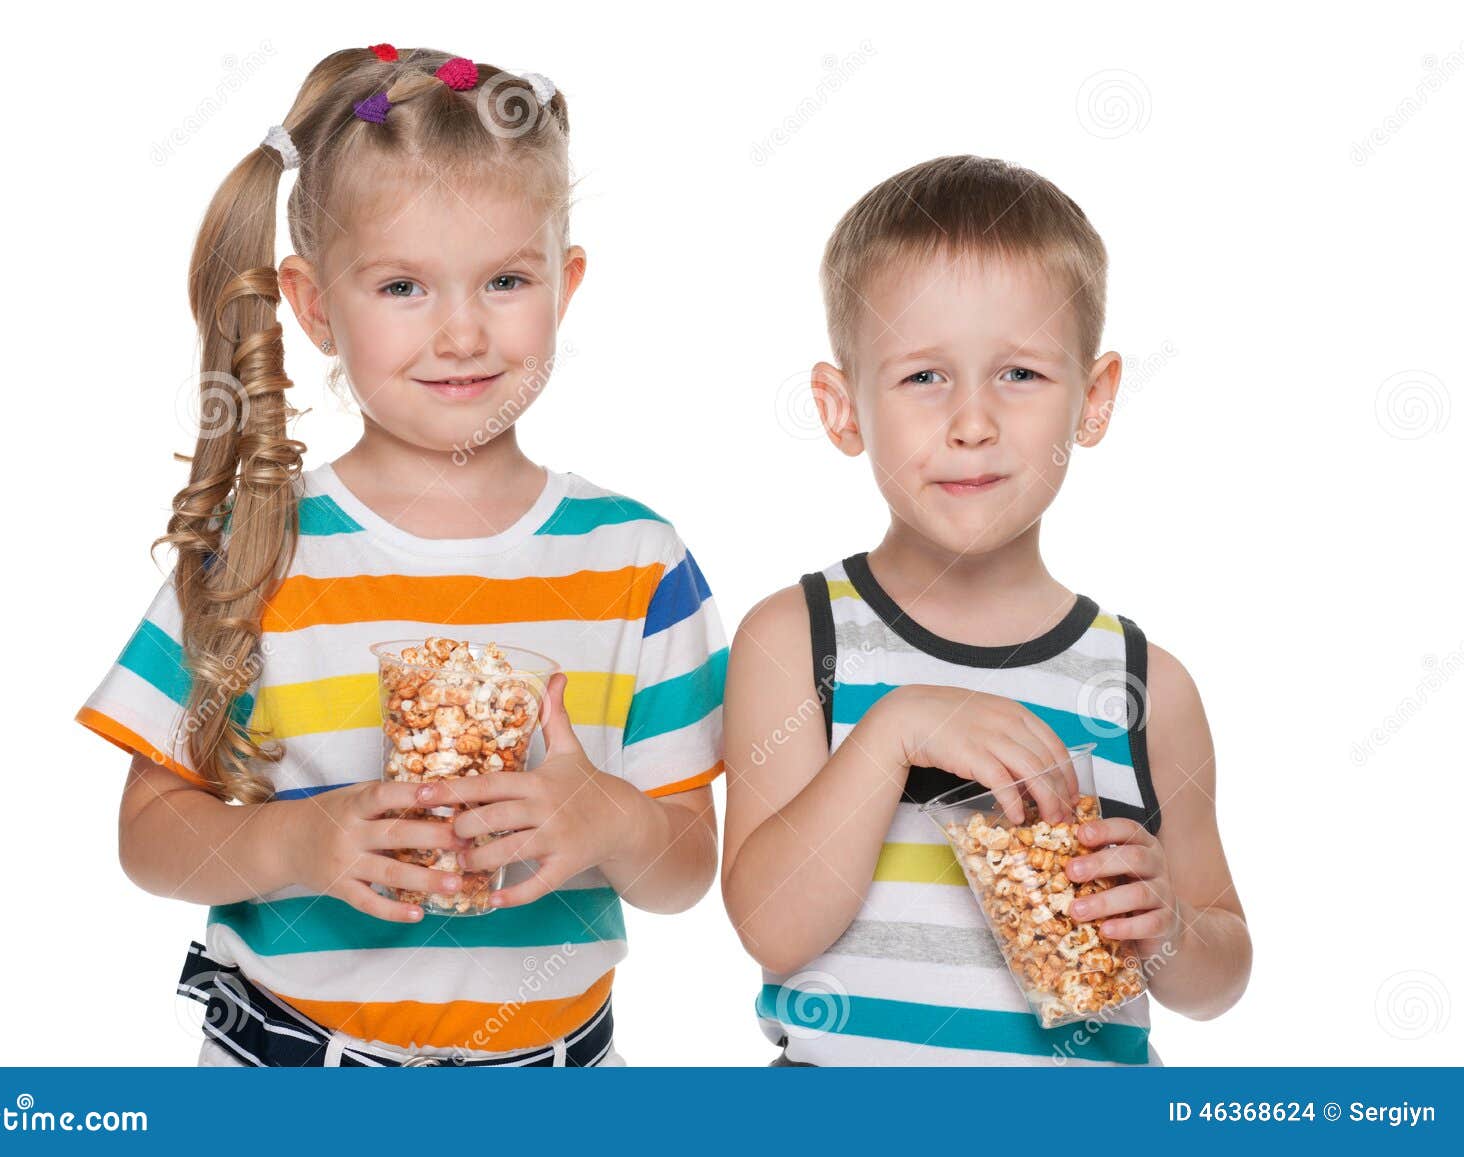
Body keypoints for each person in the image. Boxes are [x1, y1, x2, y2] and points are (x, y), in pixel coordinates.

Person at [76, 44, 726, 1068]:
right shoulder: (260, 552)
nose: (462, 331)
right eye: (403, 286)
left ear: (567, 283)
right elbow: (150, 836)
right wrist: (296, 842)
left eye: (506, 279)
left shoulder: (638, 561)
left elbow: (686, 865)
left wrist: (608, 820)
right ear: (317, 304)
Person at [722, 155, 1251, 1065]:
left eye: (1020, 374)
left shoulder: (1144, 685)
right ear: (843, 409)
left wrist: (1166, 927)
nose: (972, 421)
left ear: (1095, 398)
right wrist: (892, 733)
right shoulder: (796, 641)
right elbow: (773, 928)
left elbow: (1222, 974)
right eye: (924, 377)